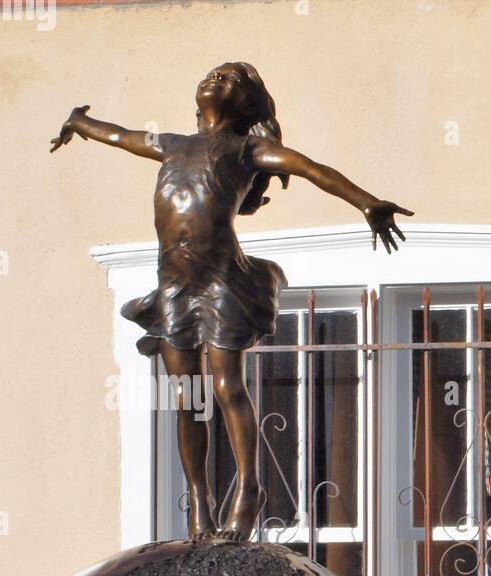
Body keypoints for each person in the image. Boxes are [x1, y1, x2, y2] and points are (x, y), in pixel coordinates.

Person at [51, 62, 411, 538]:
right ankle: (199, 501)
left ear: (244, 105)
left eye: (227, 81)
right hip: (175, 285)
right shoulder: (172, 145)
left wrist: (367, 202)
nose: (212, 82)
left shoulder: (249, 149)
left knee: (227, 388)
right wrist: (80, 123)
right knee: (187, 399)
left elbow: (314, 170)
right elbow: (119, 136)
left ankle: (248, 491)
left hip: (222, 281)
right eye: (210, 76)